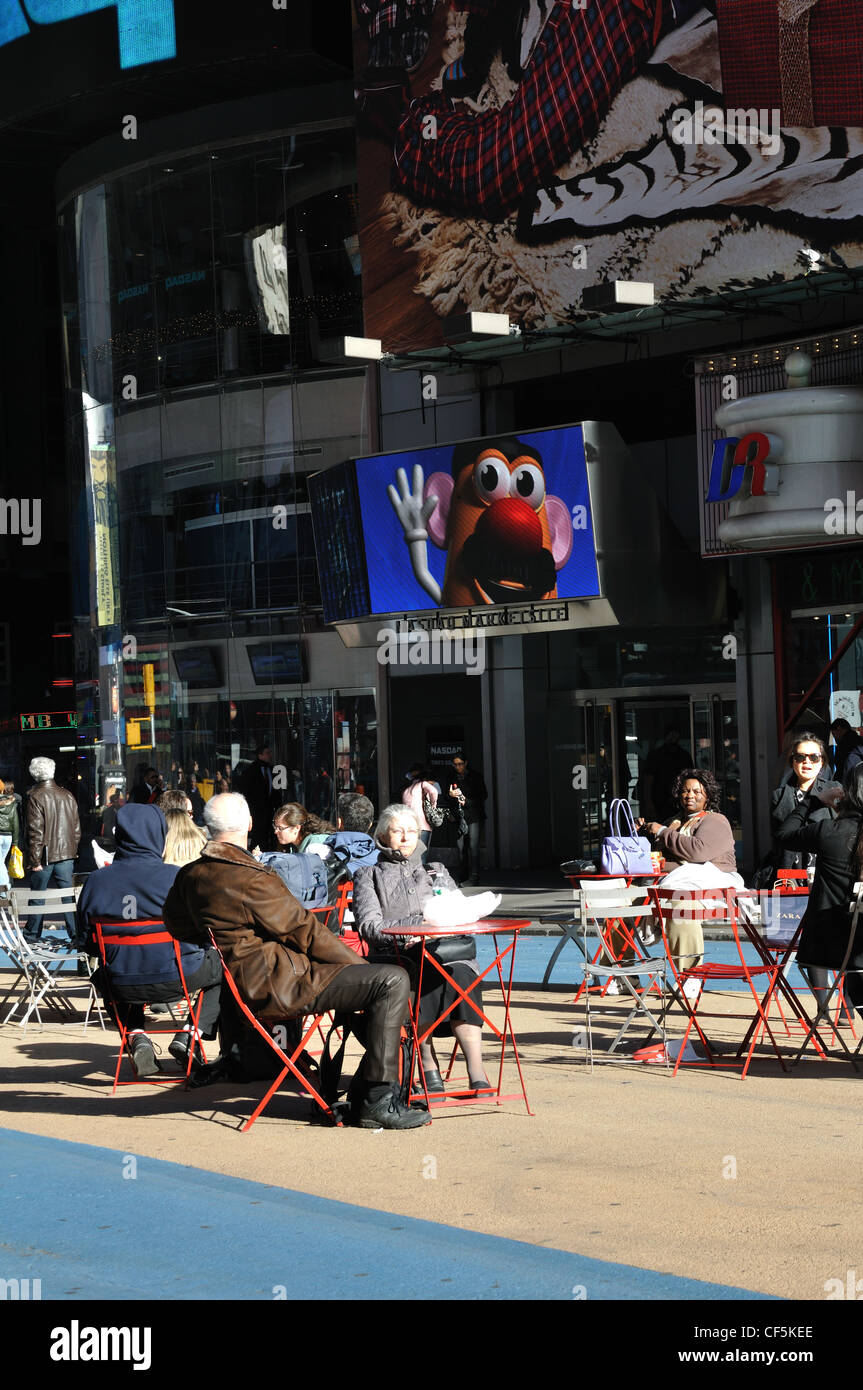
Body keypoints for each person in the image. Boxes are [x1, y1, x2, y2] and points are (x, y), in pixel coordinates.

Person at [163, 792, 430, 1129]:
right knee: (391, 980)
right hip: (280, 985)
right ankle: (376, 1099)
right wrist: (359, 967)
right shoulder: (251, 878)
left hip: (248, 986)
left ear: (208, 826)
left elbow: (177, 924)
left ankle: (370, 1093)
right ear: (249, 824)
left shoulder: (192, 876)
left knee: (376, 982)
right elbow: (305, 931)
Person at [352, 804, 491, 1094]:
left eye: (412, 831)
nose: (405, 837)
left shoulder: (436, 870)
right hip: (399, 955)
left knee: (463, 974)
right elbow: (369, 926)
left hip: (442, 950)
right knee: (421, 973)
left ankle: (476, 1069)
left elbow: (458, 912)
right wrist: (415, 926)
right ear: (382, 835)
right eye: (397, 831)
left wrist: (443, 923)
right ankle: (428, 1063)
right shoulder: (368, 875)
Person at [77, 804, 223, 1079]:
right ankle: (191, 1033)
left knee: (111, 971)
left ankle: (135, 1035)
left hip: (121, 982)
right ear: (159, 835)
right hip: (178, 975)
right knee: (223, 968)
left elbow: (87, 942)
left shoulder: (96, 882)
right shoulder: (175, 877)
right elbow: (202, 932)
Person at [774, 763, 863, 1014]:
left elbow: (784, 835)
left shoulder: (829, 831)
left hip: (827, 946)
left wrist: (813, 802)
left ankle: (825, 1008)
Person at [639, 768, 741, 980]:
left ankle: (690, 976)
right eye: (685, 791)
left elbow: (697, 851)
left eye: (697, 791)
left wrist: (661, 831)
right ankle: (621, 976)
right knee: (621, 904)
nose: (690, 795)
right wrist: (646, 834)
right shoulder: (673, 821)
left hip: (709, 889)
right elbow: (660, 859)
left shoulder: (715, 820)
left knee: (681, 906)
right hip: (670, 885)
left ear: (708, 796)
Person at [769, 734, 842, 1010]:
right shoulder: (780, 794)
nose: (807, 762)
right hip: (792, 875)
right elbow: (781, 834)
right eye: (800, 757)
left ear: (822, 762)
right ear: (792, 761)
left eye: (814, 757)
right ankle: (824, 1005)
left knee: (836, 940)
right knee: (808, 944)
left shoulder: (835, 789)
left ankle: (845, 1005)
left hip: (827, 876)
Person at [24, 756, 81, 943]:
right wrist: (72, 849)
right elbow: (76, 829)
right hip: (66, 854)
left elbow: (35, 832)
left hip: (44, 856)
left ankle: (32, 934)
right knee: (67, 897)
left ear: (34, 773)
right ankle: (75, 934)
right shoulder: (67, 795)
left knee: (38, 896)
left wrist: (34, 860)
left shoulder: (35, 796)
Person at [448, 753, 487, 886]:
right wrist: (451, 796)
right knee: (461, 848)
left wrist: (467, 802)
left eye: (460, 764)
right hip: (459, 816)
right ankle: (463, 876)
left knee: (473, 846)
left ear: (466, 763)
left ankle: (474, 877)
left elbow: (483, 795)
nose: (457, 767)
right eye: (455, 764)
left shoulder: (475, 776)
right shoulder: (452, 777)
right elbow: (449, 798)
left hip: (473, 815)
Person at [640, 727, 692, 823]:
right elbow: (648, 780)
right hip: (660, 801)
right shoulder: (656, 755)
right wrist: (649, 802)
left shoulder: (684, 756)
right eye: (670, 734)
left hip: (679, 800)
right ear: (665, 736)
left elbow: (691, 779)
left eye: (675, 734)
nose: (673, 737)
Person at [236, 744, 279, 851]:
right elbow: (244, 790)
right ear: (260, 755)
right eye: (267, 753)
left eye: (270, 753)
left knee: (270, 835)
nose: (270, 755)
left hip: (270, 810)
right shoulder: (250, 771)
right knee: (258, 837)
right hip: (256, 811)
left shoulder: (272, 770)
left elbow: (275, 790)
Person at [402, 763, 438, 853]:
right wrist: (433, 806)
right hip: (423, 826)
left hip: (409, 826)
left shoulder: (407, 790)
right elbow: (434, 791)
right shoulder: (422, 784)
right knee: (422, 854)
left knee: (412, 854)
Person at [0, 778, 21, 894]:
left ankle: (4, 889)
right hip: (8, 836)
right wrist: (16, 842)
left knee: (0, 863)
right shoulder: (14, 801)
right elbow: (16, 822)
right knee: (1, 862)